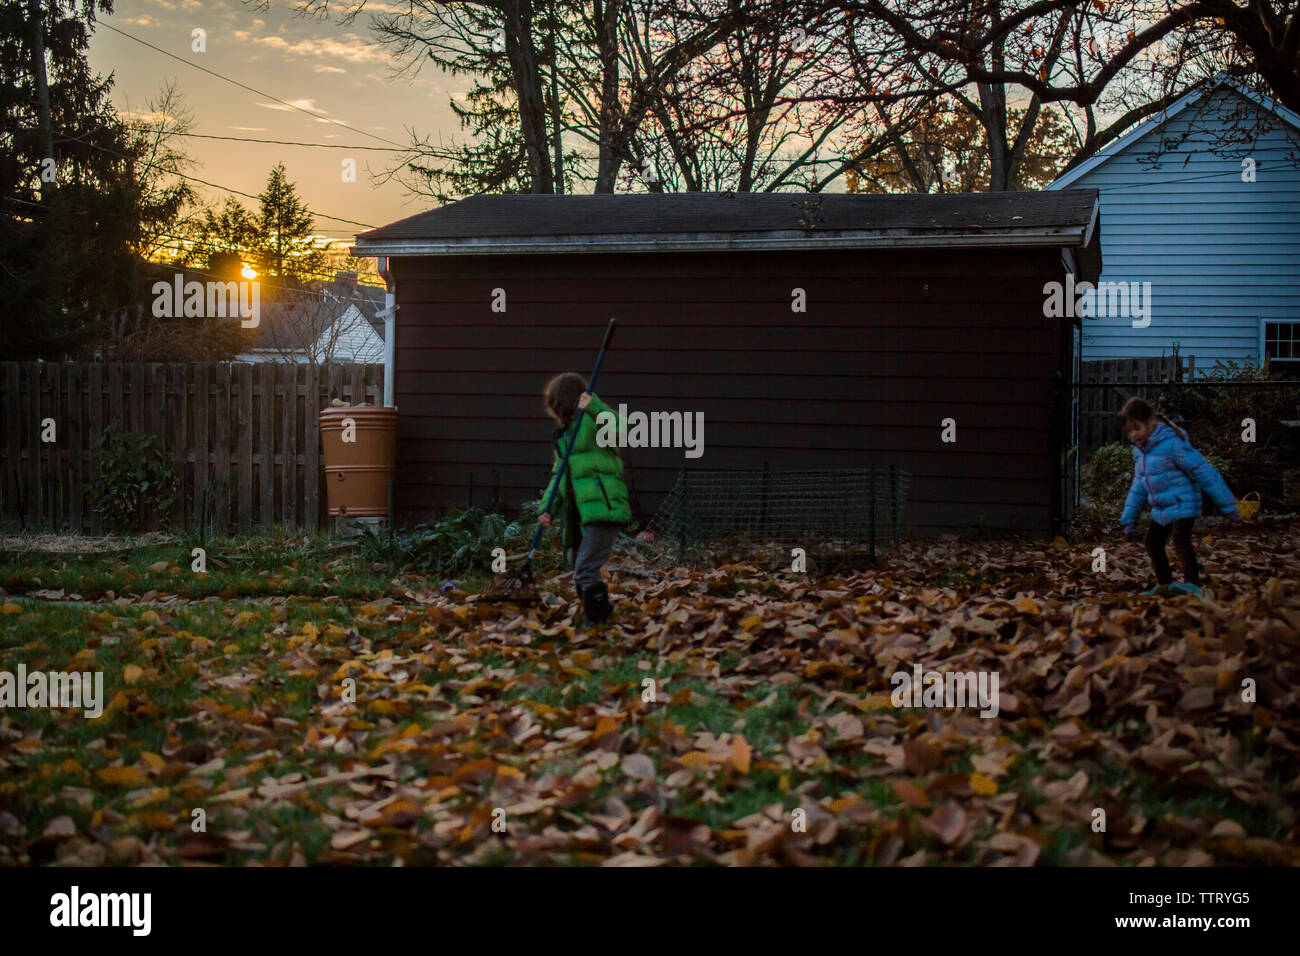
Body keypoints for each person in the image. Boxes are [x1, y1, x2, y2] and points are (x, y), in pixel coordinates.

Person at [1118, 397, 1243, 596]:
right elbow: (1138, 487)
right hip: (1162, 507)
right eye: (1130, 431)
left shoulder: (1173, 444)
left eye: (1137, 428)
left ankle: (1193, 584)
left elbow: (1204, 472)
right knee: (1153, 543)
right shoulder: (1140, 452)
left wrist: (1228, 506)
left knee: (1181, 541)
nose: (1134, 434)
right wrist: (1129, 519)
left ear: (1150, 421)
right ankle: (1165, 584)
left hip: (1184, 503)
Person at [536, 372, 631, 623]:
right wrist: (547, 509)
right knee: (576, 561)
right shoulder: (564, 436)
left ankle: (597, 622)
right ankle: (599, 608)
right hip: (579, 513)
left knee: (585, 569)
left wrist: (595, 406)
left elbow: (623, 429)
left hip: (602, 507)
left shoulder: (592, 422)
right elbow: (559, 477)